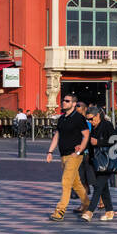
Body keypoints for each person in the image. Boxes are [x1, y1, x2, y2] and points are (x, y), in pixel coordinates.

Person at [45, 93, 90, 221]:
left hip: (74, 155)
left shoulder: (78, 118)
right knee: (76, 183)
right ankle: (87, 204)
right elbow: (57, 136)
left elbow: (86, 135)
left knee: (65, 182)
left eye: (67, 101)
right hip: (63, 155)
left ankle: (60, 211)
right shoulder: (62, 118)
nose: (63, 102)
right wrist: (50, 152)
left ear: (74, 104)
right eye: (63, 100)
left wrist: (79, 150)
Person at [80, 105, 116, 222]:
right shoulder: (94, 128)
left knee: (98, 187)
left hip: (107, 161)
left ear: (98, 115)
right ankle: (110, 211)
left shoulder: (107, 125)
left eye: (91, 119)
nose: (90, 121)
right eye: (88, 119)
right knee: (102, 187)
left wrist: (99, 142)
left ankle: (90, 211)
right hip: (97, 162)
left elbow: (116, 141)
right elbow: (91, 144)